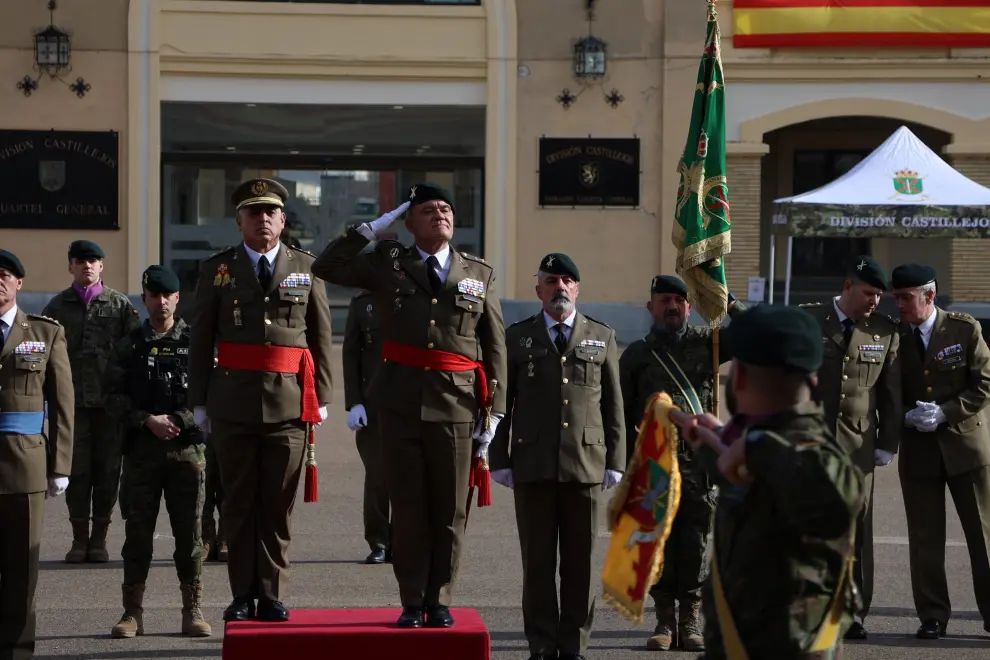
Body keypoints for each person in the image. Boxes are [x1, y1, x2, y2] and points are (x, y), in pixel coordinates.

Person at [312, 183, 507, 629]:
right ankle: (413, 601)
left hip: (457, 406)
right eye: (426, 210)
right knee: (409, 507)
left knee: (450, 510)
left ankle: (440, 599)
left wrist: (494, 411)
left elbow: (494, 347)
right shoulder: (388, 263)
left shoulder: (478, 273)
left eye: (445, 209)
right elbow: (327, 265)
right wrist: (371, 229)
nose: (439, 214)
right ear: (408, 221)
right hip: (398, 403)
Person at [676, 304, 864, 657]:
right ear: (813, 379)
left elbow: (839, 496)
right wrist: (716, 442)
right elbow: (757, 488)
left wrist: (753, 445)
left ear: (740, 379)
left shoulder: (806, 450)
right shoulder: (769, 445)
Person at [187, 178, 334, 623]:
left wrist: (322, 396)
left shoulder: (308, 267)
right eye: (254, 213)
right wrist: (199, 401)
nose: (263, 219)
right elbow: (200, 339)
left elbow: (321, 336)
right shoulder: (218, 269)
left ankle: (270, 594)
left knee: (276, 505)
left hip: (289, 405)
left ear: (283, 220)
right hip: (232, 403)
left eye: (271, 212)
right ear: (239, 222)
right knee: (237, 502)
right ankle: (241, 595)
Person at [489, 253, 625, 660]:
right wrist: (499, 457)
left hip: (585, 466)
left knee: (579, 567)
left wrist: (616, 459)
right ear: (538, 290)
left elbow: (614, 406)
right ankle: (542, 644)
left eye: (567, 281)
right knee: (538, 564)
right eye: (551, 281)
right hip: (531, 464)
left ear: (577, 289)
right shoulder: (518, 337)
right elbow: (502, 403)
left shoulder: (601, 336)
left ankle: (574, 646)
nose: (560, 288)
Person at [617, 274, 743, 652]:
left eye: (680, 300)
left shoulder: (710, 343)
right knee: (656, 543)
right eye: (664, 300)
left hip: (699, 465)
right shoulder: (636, 355)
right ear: (651, 307)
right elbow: (621, 415)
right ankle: (663, 620)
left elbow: (759, 333)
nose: (672, 306)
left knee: (694, 542)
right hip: (653, 464)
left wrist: (726, 298)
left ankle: (690, 619)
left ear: (690, 306)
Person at [103, 265, 212, 639]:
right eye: (154, 295)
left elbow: (209, 393)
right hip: (141, 456)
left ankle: (192, 609)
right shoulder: (130, 344)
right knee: (137, 537)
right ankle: (132, 612)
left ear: (178, 298)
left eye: (168, 295)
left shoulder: (195, 343)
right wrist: (146, 419)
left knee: (190, 537)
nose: (161, 301)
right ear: (145, 298)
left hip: (186, 457)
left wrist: (179, 420)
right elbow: (111, 397)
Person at [798, 255, 901, 641]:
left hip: (859, 446)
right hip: (813, 443)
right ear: (847, 288)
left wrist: (888, 443)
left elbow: (890, 392)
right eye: (868, 293)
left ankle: (855, 612)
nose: (875, 301)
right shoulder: (810, 319)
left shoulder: (884, 330)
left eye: (879, 295)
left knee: (857, 531)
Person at [890, 263, 990, 639]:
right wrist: (904, 417)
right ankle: (933, 614)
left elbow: (984, 383)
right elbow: (884, 390)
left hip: (966, 448)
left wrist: (945, 412)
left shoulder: (964, 328)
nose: (898, 305)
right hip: (919, 451)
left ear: (929, 296)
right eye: (895, 297)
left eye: (905, 298)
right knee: (925, 538)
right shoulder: (892, 334)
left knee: (983, 537)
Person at [42, 239, 141, 563]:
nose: (87, 266)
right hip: (72, 407)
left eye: (93, 260)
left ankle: (99, 538)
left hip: (110, 406)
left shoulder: (121, 305)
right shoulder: (57, 307)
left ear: (102, 266)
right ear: (70, 266)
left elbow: (136, 352)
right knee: (76, 472)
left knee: (108, 472)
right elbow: (42, 353)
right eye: (80, 261)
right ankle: (78, 539)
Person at [0, 249, 74, 660]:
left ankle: (16, 651)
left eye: (6, 275)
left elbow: (63, 404)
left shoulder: (44, 334)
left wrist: (60, 465)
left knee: (21, 570)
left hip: (26, 463)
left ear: (19, 283)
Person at [342, 290, 391, 564]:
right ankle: (380, 541)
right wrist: (354, 402)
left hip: (410, 402)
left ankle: (407, 542)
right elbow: (351, 354)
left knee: (411, 478)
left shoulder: (414, 296)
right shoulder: (363, 303)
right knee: (377, 476)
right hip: (372, 404)